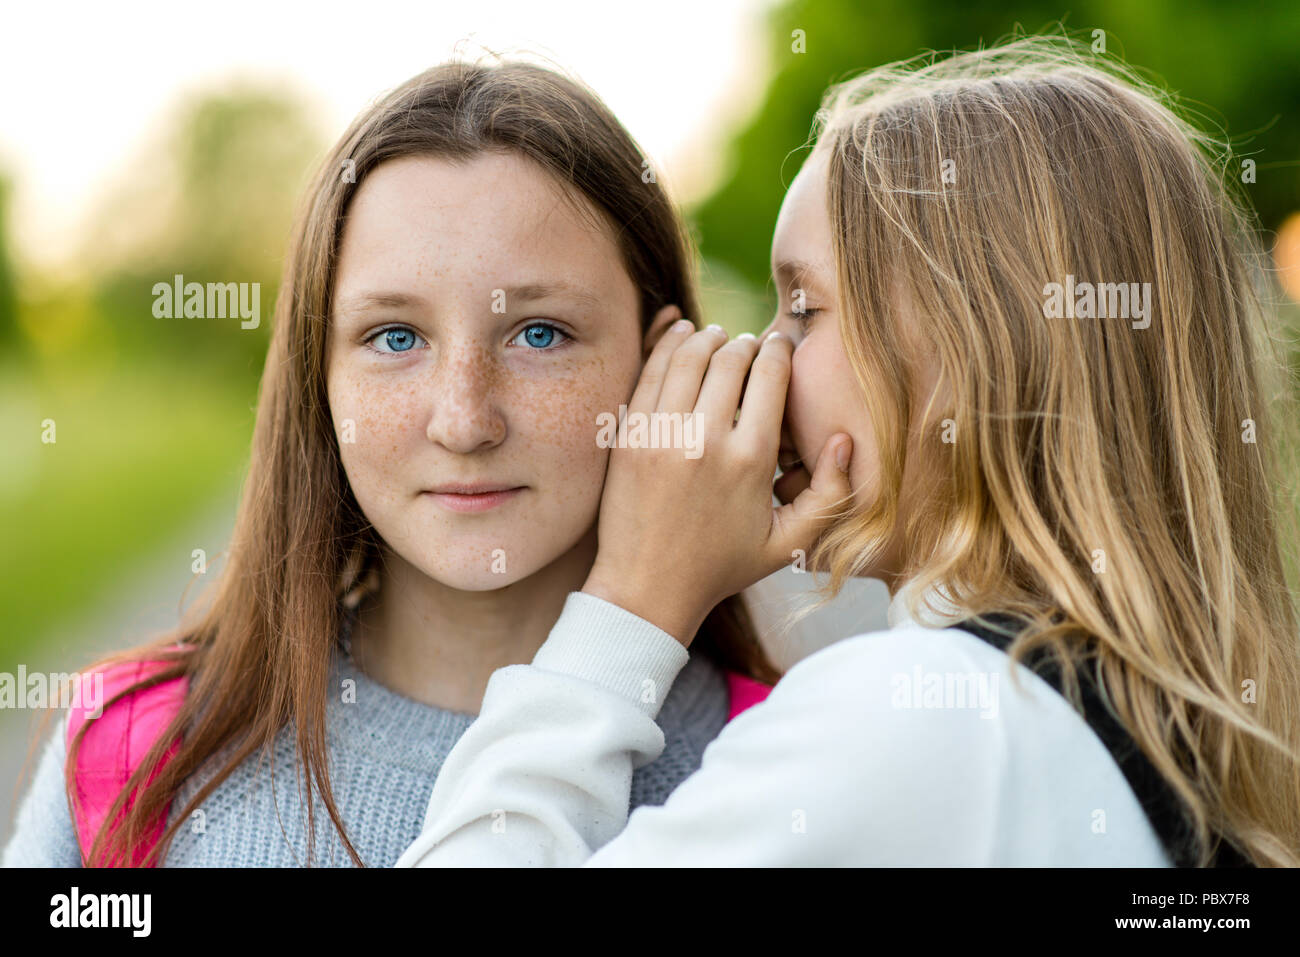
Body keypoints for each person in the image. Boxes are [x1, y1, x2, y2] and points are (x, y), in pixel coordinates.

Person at [397, 36, 1300, 867]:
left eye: (804, 308)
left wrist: (633, 599)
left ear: (975, 351)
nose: (764, 360)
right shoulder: (1129, 726)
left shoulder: (920, 715)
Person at [2, 60, 777, 868]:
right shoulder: (136, 749)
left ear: (664, 365)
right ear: (320, 375)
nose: (465, 420)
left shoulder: (796, 757)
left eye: (539, 333)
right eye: (395, 338)